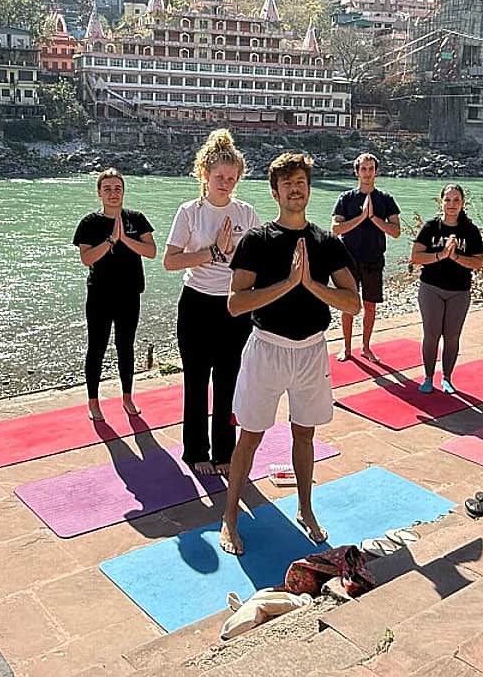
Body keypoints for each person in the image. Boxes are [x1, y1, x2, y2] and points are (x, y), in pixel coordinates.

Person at [219, 153, 361, 556]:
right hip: (268, 350)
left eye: (301, 182)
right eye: (287, 184)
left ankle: (305, 508)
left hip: (312, 351)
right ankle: (230, 516)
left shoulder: (326, 243)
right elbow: (235, 303)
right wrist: (287, 282)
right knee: (250, 435)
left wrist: (310, 284)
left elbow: (352, 303)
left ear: (308, 187)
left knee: (305, 433)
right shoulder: (258, 241)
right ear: (275, 192)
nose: (295, 189)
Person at [163, 129, 260, 475]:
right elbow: (170, 261)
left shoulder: (246, 213)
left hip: (234, 307)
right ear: (205, 174)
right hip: (197, 305)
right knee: (196, 380)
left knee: (229, 381)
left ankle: (224, 451)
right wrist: (213, 252)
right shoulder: (190, 211)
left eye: (232, 178)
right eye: (220, 177)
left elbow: (258, 260)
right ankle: (195, 452)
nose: (226, 183)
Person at [73, 168, 156, 420]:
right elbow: (86, 258)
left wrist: (124, 240)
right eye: (107, 188)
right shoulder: (90, 222)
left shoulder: (136, 218)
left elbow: (151, 251)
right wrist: (110, 241)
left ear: (123, 191)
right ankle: (93, 401)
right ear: (99, 193)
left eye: (117, 188)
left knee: (125, 346)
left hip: (130, 294)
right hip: (99, 294)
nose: (112, 193)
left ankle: (128, 397)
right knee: (96, 347)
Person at [410, 183, 483, 393]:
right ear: (441, 201)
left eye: (456, 200)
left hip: (459, 291)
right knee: (431, 334)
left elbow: (478, 262)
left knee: (452, 336)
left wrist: (456, 257)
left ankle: (447, 378)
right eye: (448, 200)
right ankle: (427, 377)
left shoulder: (470, 230)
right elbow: (415, 257)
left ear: (462, 203)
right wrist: (440, 256)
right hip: (431, 288)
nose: (452, 204)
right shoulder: (430, 227)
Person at [331, 153, 401, 361]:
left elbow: (396, 231)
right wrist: (361, 217)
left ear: (376, 172)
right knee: (348, 304)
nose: (367, 173)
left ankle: (366, 347)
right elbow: (335, 229)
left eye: (371, 169)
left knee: (370, 305)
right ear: (357, 172)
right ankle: (346, 347)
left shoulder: (386, 199)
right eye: (363, 169)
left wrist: (373, 218)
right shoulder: (346, 198)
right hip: (348, 260)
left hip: (373, 259)